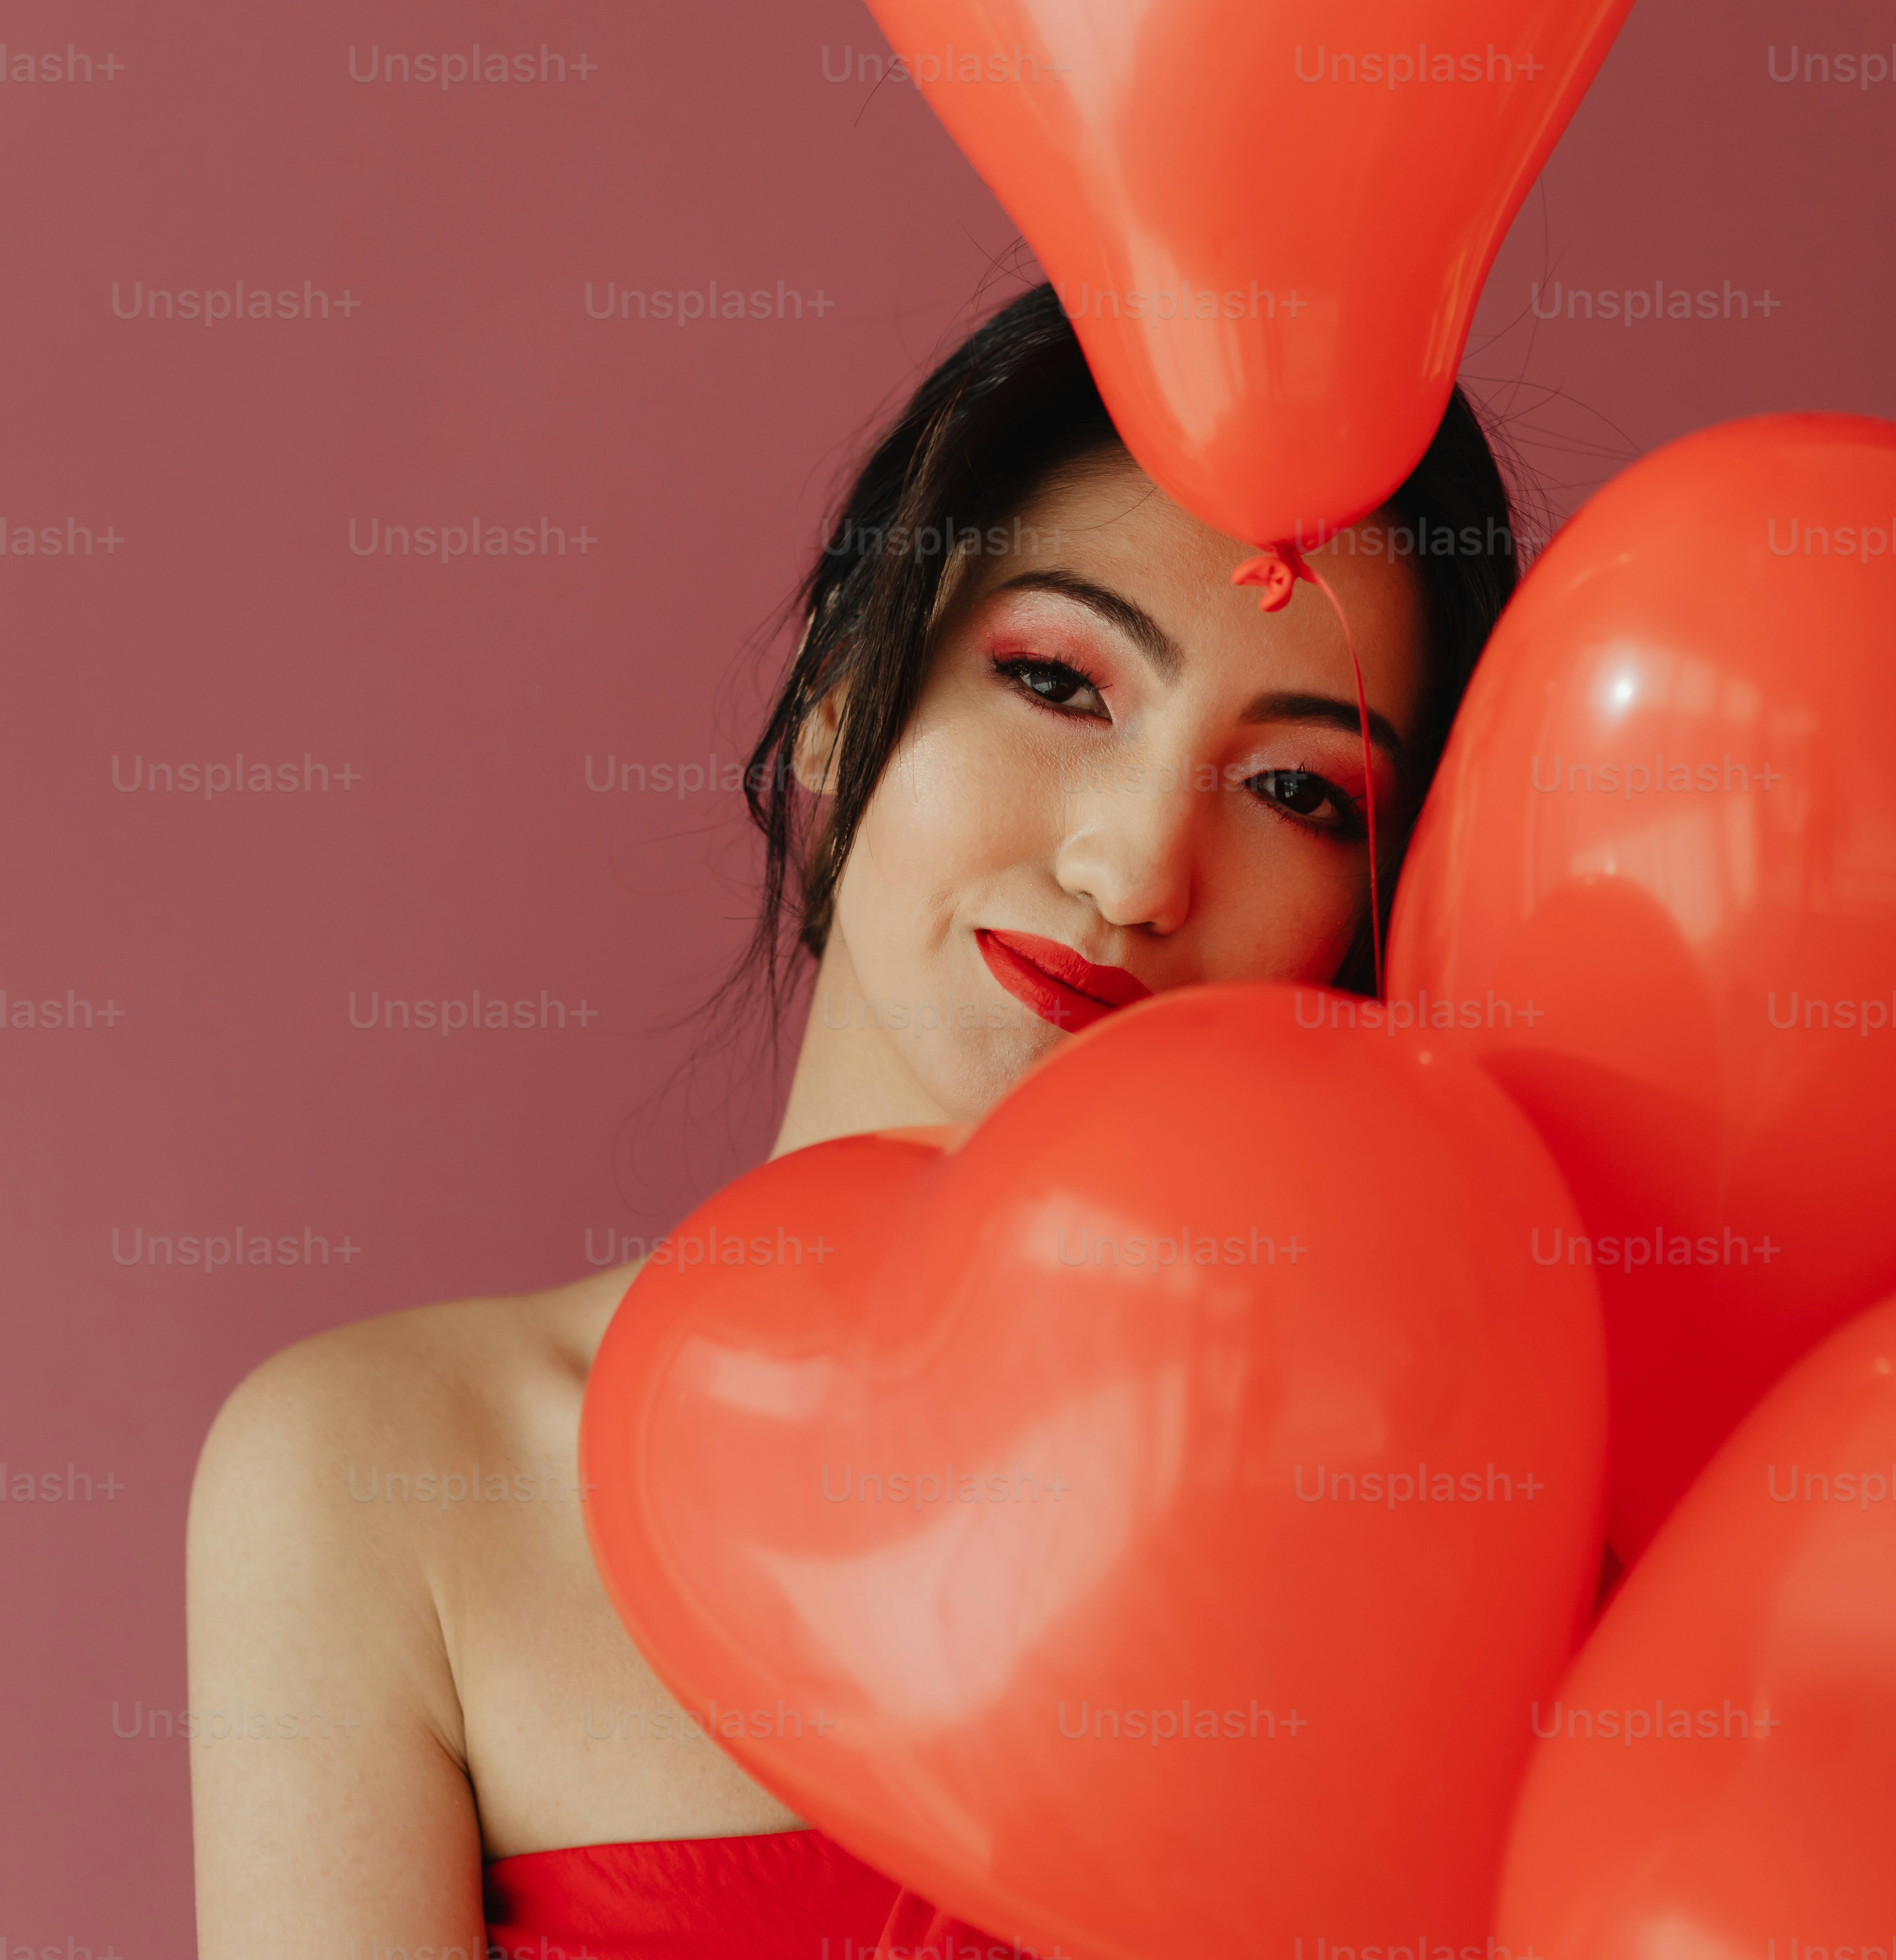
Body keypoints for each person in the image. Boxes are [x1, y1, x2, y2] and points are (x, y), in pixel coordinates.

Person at [186, 283, 1523, 1960]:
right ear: (840, 684)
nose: (1132, 871)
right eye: (1056, 680)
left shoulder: (1434, 1534)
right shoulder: (379, 1481)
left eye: (1300, 793)